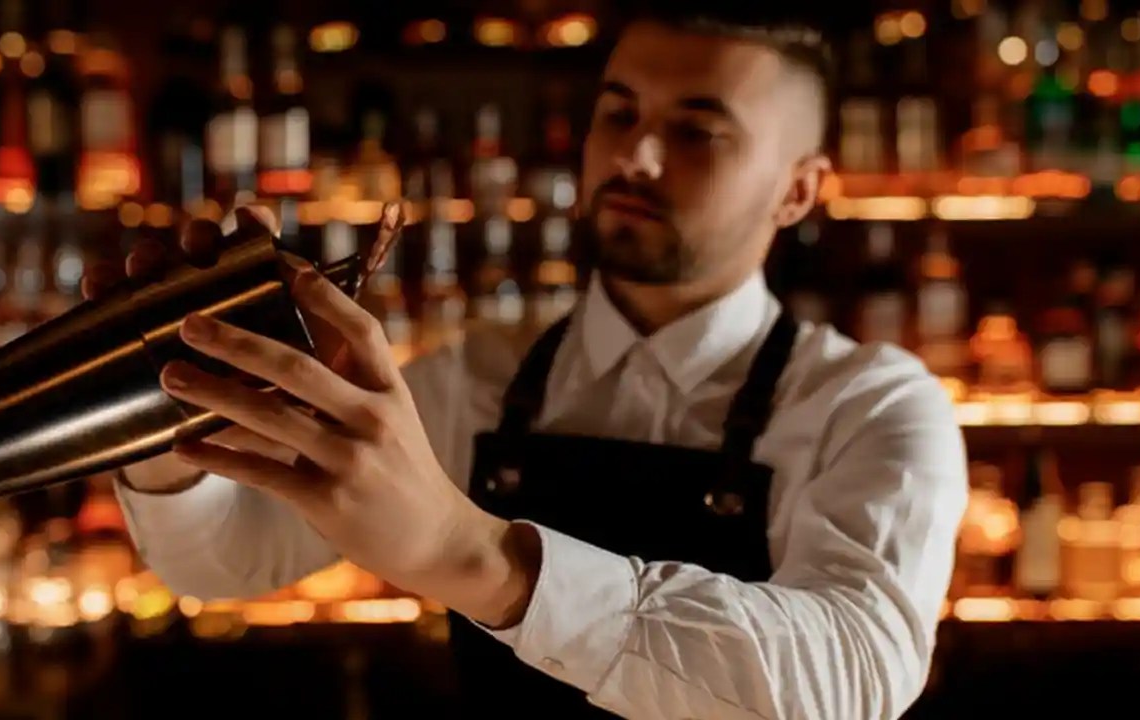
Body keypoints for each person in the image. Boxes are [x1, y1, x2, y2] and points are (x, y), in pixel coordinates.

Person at [84, 5, 969, 719]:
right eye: (619, 112)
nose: (633, 154)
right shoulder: (473, 378)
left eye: (697, 132)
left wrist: (478, 557)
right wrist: (169, 414)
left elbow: (855, 676)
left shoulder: (872, 405)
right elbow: (226, 563)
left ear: (800, 189)